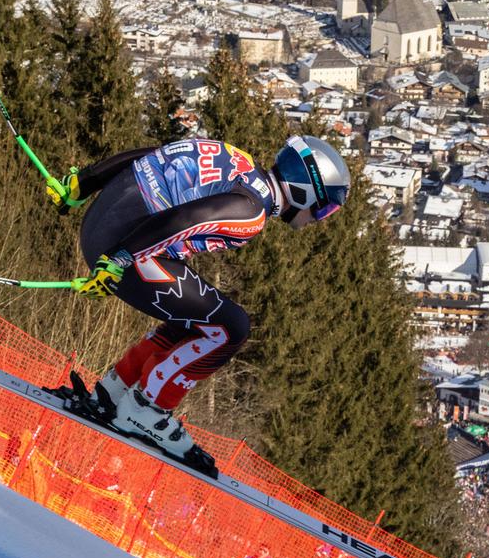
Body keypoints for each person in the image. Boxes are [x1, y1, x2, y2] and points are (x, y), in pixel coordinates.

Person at [48, 136, 351, 463]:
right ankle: (146, 410)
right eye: (323, 209)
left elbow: (154, 155)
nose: (316, 220)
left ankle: (112, 393)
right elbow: (188, 219)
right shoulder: (251, 213)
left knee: (199, 316)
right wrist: (120, 258)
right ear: (304, 190)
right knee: (232, 327)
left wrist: (87, 180)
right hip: (125, 246)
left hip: (105, 224)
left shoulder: (240, 161)